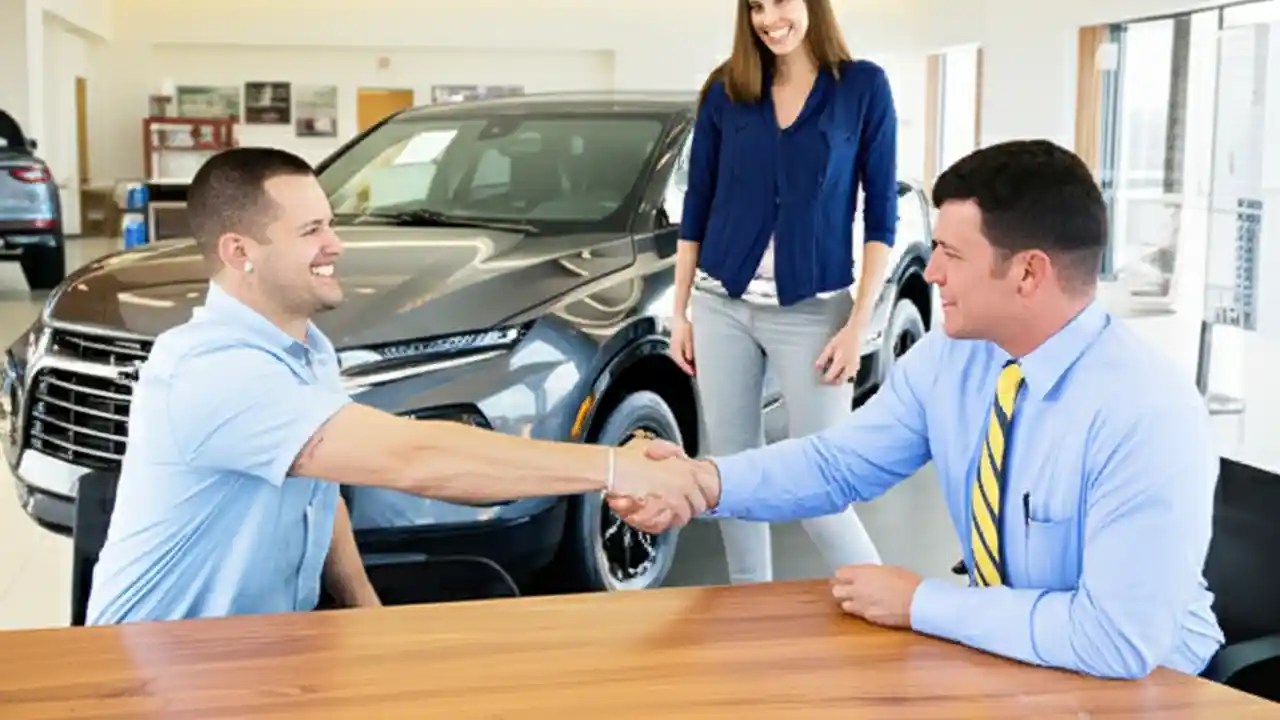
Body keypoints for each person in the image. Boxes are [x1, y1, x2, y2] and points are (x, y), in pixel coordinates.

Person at [614, 139, 1225, 680]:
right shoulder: (951, 359)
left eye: (950, 254)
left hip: (1154, 687)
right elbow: (836, 466)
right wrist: (704, 481)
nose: (929, 272)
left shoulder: (1147, 412)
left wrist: (920, 604)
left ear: (1028, 274)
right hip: (1014, 660)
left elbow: (1115, 639)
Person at [85, 147, 713, 625]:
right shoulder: (212, 370)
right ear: (239, 250)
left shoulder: (305, 348)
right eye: (311, 232)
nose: (336, 246)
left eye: (330, 223)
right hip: (161, 665)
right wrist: (612, 467)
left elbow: (317, 489)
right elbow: (417, 458)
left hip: (268, 650)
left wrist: (364, 608)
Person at [670, 0, 896, 584]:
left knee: (821, 477)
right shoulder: (726, 90)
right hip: (721, 304)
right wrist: (681, 312)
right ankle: (749, 600)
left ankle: (884, 601)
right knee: (732, 470)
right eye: (756, 7)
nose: (770, 19)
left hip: (816, 313)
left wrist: (858, 326)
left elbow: (881, 218)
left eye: (781, 3)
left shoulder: (863, 87)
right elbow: (697, 204)